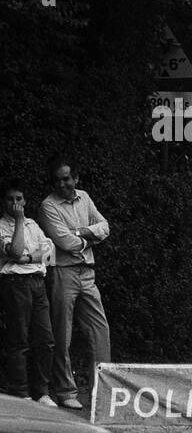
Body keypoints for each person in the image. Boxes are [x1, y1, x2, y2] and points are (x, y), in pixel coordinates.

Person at [37, 157, 112, 410]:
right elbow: (65, 243)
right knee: (62, 334)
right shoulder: (48, 206)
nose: (62, 184)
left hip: (87, 272)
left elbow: (105, 227)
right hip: (63, 273)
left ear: (75, 178)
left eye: (66, 179)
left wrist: (80, 233)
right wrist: (90, 235)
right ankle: (66, 391)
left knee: (99, 331)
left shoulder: (84, 197)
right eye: (57, 180)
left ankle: (101, 391)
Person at [0, 178, 57, 406]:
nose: (16, 204)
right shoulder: (3, 225)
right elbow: (14, 251)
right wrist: (19, 222)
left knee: (45, 340)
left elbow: (49, 254)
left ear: (25, 200)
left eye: (19, 199)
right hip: (15, 284)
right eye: (11, 199)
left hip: (37, 283)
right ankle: (21, 394)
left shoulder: (34, 224)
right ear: (3, 202)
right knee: (19, 340)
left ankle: (42, 392)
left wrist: (27, 257)